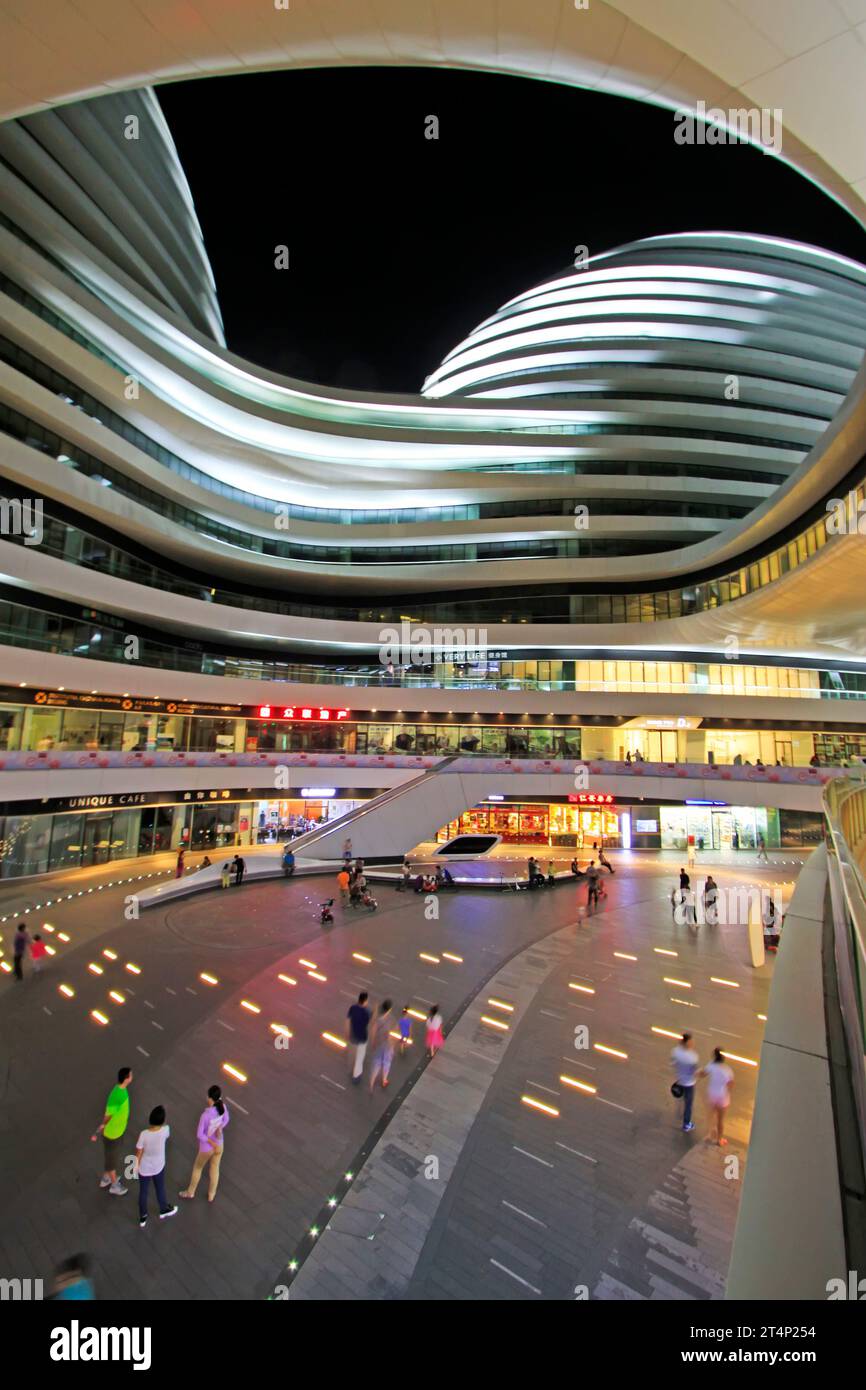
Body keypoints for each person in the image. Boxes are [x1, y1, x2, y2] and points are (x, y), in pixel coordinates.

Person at [180, 1084, 230, 1202]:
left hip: (207, 1148)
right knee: (215, 1168)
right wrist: (220, 1128)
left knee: (198, 1167)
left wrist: (210, 1142)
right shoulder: (223, 1106)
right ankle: (211, 1195)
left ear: (209, 1098)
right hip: (220, 1143)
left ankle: (190, 1192)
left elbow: (199, 1134)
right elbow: (226, 1119)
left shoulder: (206, 1115)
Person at [92, 1065, 133, 1196]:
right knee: (111, 1162)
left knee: (111, 1158)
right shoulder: (116, 1096)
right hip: (112, 1134)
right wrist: (102, 1126)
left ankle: (105, 1179)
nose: (132, 1076)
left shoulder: (122, 1090)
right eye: (131, 1075)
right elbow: (108, 1115)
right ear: (126, 1079)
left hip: (118, 1131)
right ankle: (114, 1186)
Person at [134, 1105, 177, 1228]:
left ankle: (143, 1217)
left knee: (143, 1192)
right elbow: (166, 1131)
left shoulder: (144, 1134)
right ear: (162, 1121)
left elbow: (139, 1151)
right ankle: (163, 1209)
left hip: (145, 1167)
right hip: (159, 1165)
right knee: (160, 1188)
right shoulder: (165, 1130)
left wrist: (135, 1166)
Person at [702, 1048, 734, 1146]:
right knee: (720, 1119)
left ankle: (709, 1135)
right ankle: (719, 1140)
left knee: (711, 1116)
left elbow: (702, 1074)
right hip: (722, 1096)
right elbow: (731, 1084)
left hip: (712, 1094)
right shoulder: (728, 1070)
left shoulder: (711, 1066)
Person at [671, 1033, 700, 1132]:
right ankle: (686, 1124)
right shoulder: (692, 1056)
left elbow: (673, 1063)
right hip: (689, 1083)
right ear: (687, 1042)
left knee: (680, 1099)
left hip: (679, 1080)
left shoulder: (675, 1051)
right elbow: (694, 1071)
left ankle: (679, 1115)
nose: (693, 1043)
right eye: (691, 1041)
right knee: (688, 1104)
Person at [369, 1000, 395, 1092]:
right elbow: (388, 1035)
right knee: (386, 1063)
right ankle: (384, 1080)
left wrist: (373, 1043)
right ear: (389, 1009)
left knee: (376, 1064)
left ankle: (371, 1084)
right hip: (387, 1046)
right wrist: (392, 1046)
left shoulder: (378, 1020)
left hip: (379, 1045)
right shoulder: (389, 1019)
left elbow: (373, 1032)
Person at [347, 991, 372, 1084]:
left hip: (353, 1035)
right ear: (365, 1001)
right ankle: (356, 1076)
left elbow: (348, 1021)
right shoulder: (367, 1011)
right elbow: (371, 1022)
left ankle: (350, 1068)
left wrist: (347, 1032)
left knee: (353, 1052)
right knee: (360, 1057)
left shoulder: (352, 1008)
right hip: (362, 1037)